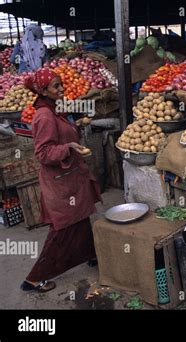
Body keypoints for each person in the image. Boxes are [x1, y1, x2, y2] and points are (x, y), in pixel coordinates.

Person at [21, 68, 101, 293]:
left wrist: (78, 125)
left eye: (61, 84)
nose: (62, 89)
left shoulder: (53, 110)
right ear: (44, 90)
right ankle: (35, 278)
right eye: (56, 86)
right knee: (63, 228)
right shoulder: (44, 116)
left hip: (70, 177)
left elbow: (61, 134)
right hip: (60, 182)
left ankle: (91, 254)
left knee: (81, 220)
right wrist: (69, 147)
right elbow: (44, 153)